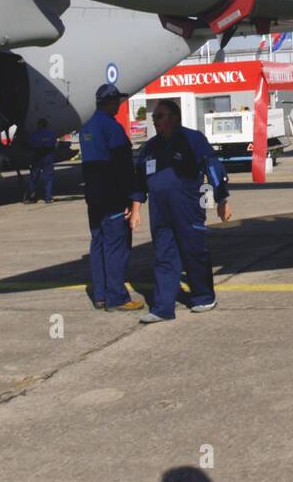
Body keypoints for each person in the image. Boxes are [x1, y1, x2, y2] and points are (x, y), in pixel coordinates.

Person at [129, 99, 231, 323]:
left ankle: (204, 296)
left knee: (193, 251)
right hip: (160, 210)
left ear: (174, 117)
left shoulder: (192, 139)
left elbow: (212, 166)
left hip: (188, 208)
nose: (155, 121)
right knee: (163, 256)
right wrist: (136, 208)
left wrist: (222, 198)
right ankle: (163, 308)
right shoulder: (151, 147)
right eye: (154, 117)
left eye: (159, 116)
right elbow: (139, 180)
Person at [79, 84, 145, 312]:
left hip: (94, 198)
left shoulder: (86, 128)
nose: (119, 104)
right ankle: (116, 297)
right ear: (110, 102)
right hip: (113, 197)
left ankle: (100, 295)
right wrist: (133, 197)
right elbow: (124, 167)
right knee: (116, 247)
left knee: (97, 244)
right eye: (117, 101)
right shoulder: (112, 128)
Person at [24, 118, 57, 203]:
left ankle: (31, 197)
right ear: (46, 125)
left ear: (39, 125)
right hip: (48, 156)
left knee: (34, 178)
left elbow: (29, 145)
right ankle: (48, 198)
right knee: (48, 178)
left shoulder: (34, 135)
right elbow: (54, 144)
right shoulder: (51, 134)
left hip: (37, 157)